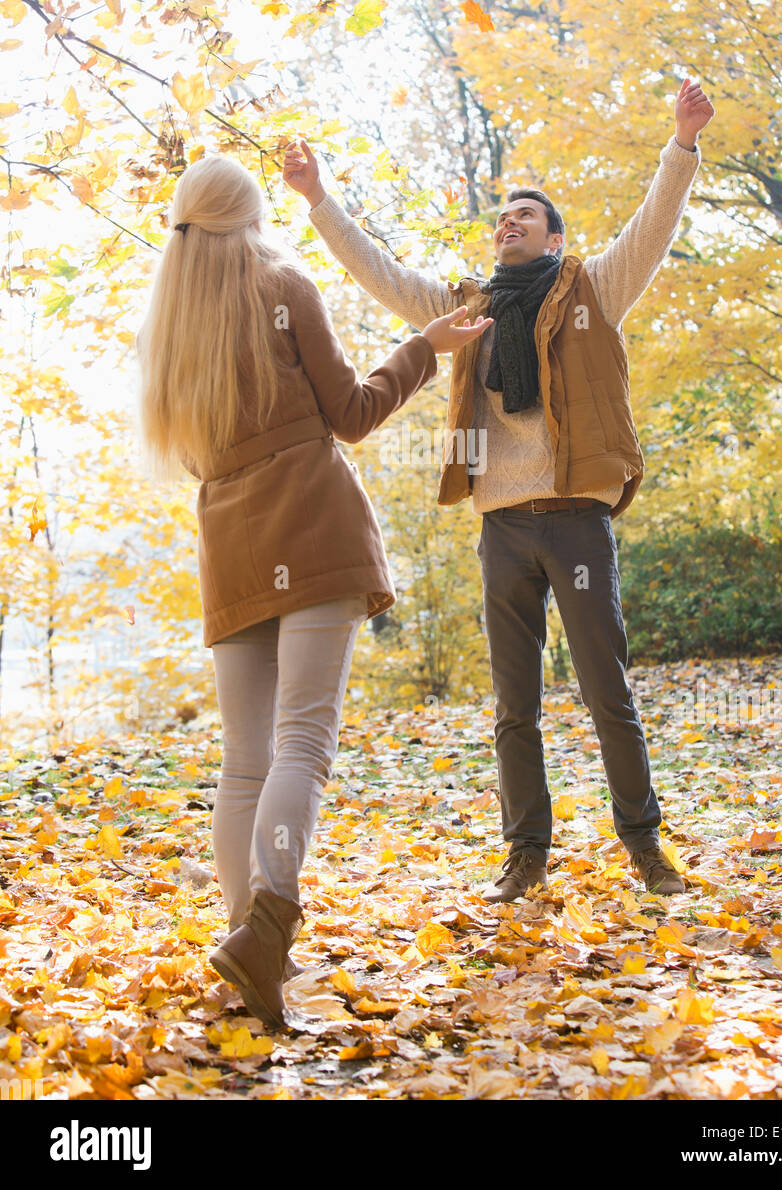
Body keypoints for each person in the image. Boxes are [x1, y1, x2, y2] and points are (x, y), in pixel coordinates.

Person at [283, 74, 715, 903]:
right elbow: (382, 274)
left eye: (525, 216)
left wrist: (682, 143)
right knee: (514, 707)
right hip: (503, 532)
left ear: (553, 240)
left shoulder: (593, 289)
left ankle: (645, 846)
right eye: (501, 217)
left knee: (605, 693)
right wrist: (319, 198)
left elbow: (652, 225)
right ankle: (526, 854)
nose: (506, 222)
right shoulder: (470, 309)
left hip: (577, 524)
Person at [134, 153, 492, 1029]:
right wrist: (426, 349)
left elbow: (187, 455)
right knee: (302, 744)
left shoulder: (167, 321)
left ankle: (246, 939)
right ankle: (267, 928)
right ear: (251, 217)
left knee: (245, 762)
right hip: (313, 529)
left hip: (231, 544)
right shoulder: (280, 284)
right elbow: (355, 415)